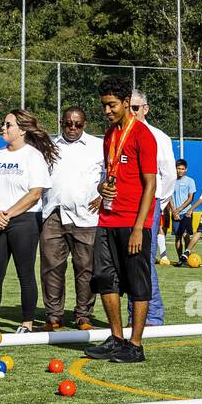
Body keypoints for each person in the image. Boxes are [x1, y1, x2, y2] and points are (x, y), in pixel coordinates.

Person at [84, 77, 157, 364]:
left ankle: (135, 345)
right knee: (104, 279)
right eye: (103, 105)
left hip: (133, 222)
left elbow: (150, 185)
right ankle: (116, 338)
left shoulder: (142, 135)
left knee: (137, 283)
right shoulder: (109, 135)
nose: (107, 110)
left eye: (111, 105)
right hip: (107, 219)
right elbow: (111, 174)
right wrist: (102, 189)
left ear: (127, 103)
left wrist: (140, 227)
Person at [0, 109, 56, 336]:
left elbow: (35, 193)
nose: (3, 127)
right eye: (4, 124)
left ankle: (27, 324)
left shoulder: (33, 156)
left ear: (21, 130)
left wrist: (7, 214)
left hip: (24, 221)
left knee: (25, 273)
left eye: (8, 124)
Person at [38, 107, 102, 332]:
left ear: (85, 124)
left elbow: (113, 175)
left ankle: (83, 316)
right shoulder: (49, 146)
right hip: (53, 214)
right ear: (61, 122)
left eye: (78, 124)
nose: (73, 128)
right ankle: (53, 316)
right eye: (68, 124)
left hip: (87, 216)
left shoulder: (98, 146)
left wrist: (103, 195)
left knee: (86, 269)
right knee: (51, 268)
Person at [129, 91, 176, 325]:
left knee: (144, 258)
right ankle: (134, 316)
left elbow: (168, 176)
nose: (132, 112)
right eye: (129, 107)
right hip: (125, 204)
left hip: (149, 203)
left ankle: (153, 316)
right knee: (129, 259)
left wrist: (159, 201)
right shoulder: (120, 135)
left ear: (146, 109)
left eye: (136, 108)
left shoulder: (159, 137)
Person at [168, 158, 197, 262]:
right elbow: (169, 197)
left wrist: (179, 209)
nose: (180, 170)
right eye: (178, 168)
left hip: (186, 213)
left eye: (182, 169)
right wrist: (174, 211)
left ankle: (186, 257)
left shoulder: (190, 181)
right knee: (178, 236)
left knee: (186, 235)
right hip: (175, 213)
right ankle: (180, 258)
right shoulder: (171, 181)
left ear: (186, 169)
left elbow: (191, 198)